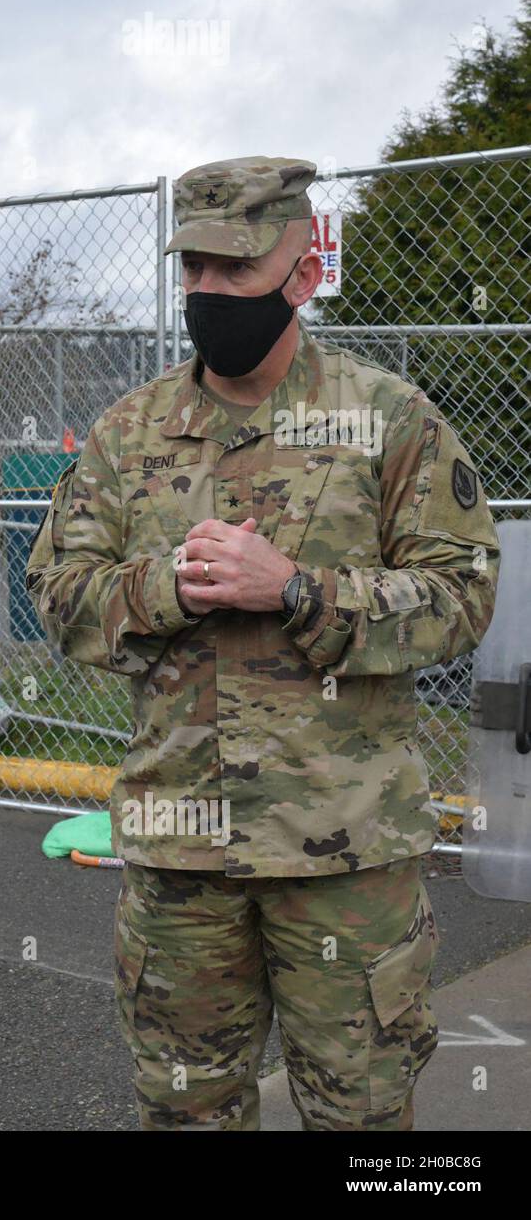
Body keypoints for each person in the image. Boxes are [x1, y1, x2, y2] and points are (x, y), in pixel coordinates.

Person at [26, 156, 500, 1130]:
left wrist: (295, 589)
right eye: (192, 269)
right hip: (180, 854)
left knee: (361, 1114)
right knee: (185, 1107)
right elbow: (59, 594)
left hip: (344, 860)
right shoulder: (130, 433)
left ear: (302, 270)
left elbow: (462, 594)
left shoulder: (387, 420)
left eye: (233, 270)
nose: (208, 292)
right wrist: (166, 586)